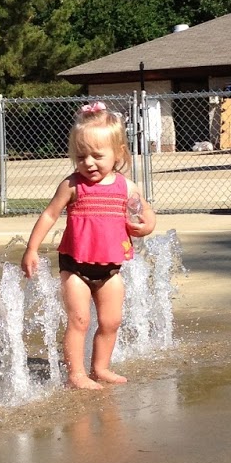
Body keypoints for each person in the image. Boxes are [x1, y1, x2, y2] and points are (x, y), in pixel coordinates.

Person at [21, 102, 156, 390]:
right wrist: (32, 248)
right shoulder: (72, 185)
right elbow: (49, 214)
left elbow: (145, 212)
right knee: (79, 320)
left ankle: (101, 367)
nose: (89, 163)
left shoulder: (127, 187)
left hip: (110, 268)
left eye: (97, 155)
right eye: (81, 156)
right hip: (75, 265)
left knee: (111, 322)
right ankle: (76, 374)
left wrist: (147, 226)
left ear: (118, 153)